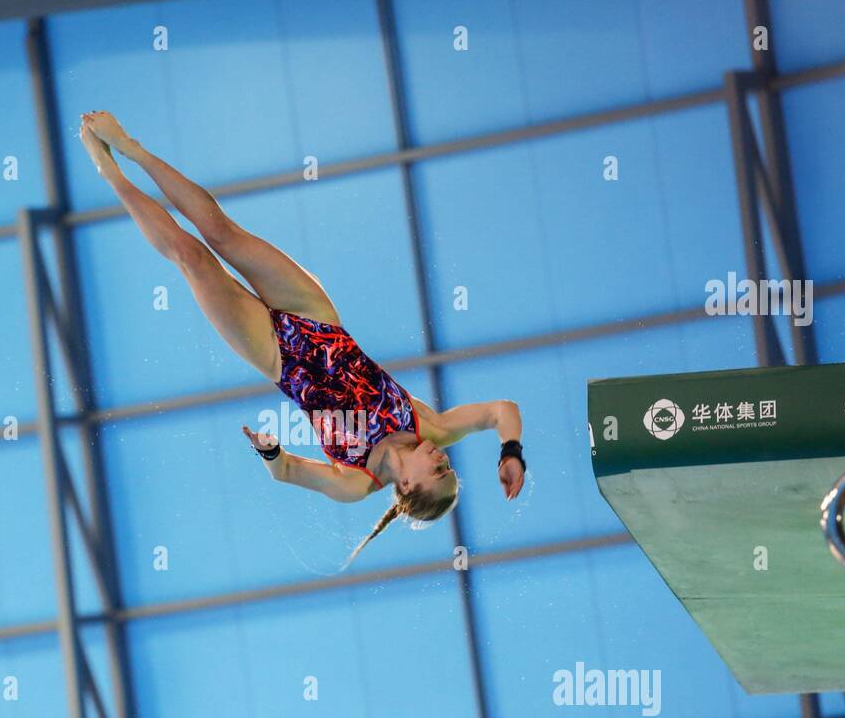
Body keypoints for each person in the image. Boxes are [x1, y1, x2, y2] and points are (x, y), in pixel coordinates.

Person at [79, 111, 525, 563]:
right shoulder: (430, 427)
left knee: (192, 256)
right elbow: (498, 411)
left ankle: (110, 172)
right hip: (316, 318)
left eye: (439, 471)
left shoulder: (356, 483)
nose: (442, 459)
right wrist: (510, 451)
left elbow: (288, 471)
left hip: (278, 359)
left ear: (409, 485)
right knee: (220, 231)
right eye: (447, 464)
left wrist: (271, 452)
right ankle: (132, 148)